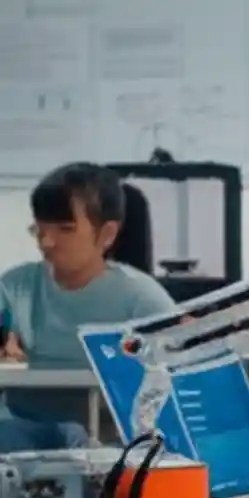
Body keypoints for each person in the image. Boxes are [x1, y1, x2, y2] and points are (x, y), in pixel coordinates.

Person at [0, 163, 175, 452]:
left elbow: (177, 386)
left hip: (108, 442)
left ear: (106, 234)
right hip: (20, 437)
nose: (46, 242)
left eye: (65, 230)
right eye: (39, 229)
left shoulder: (142, 299)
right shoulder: (15, 286)